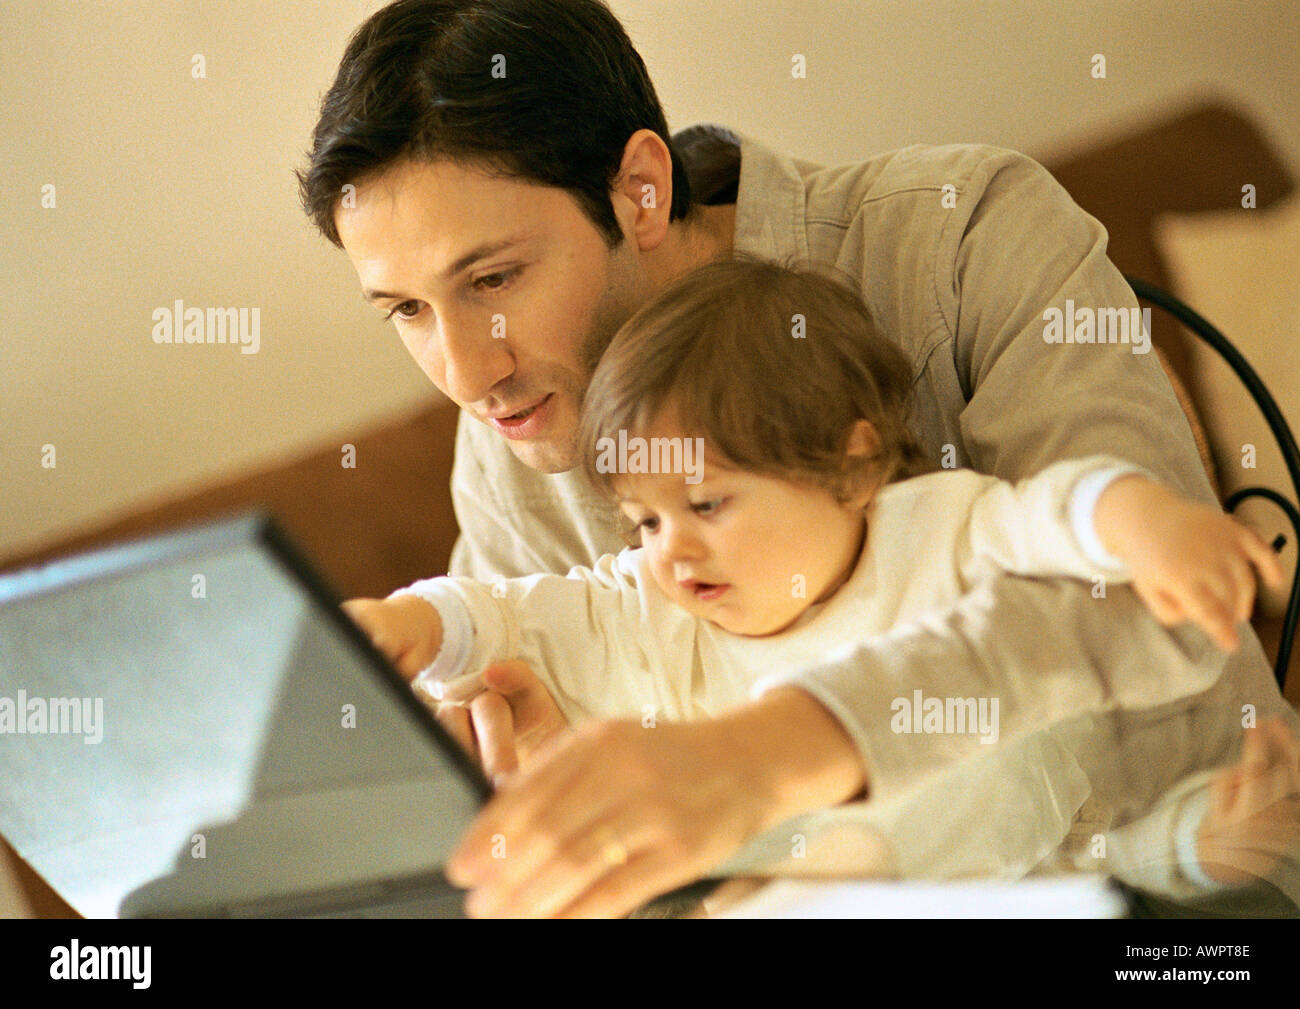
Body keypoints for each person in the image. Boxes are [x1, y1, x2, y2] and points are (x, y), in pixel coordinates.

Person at [297, 0, 1297, 916]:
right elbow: (511, 674)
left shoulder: (958, 235)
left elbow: (1156, 603)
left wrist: (774, 751)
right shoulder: (506, 441)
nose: (466, 372)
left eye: (494, 278)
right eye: (408, 312)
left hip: (1191, 883)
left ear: (641, 190)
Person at [344, 257, 1297, 911]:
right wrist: (415, 625)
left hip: (1023, 885)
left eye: (708, 503)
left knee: (1174, 858)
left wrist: (1151, 521)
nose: (668, 550)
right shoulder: (652, 605)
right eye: (643, 519)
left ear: (853, 459)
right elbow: (514, 616)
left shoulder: (938, 531)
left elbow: (1057, 514)